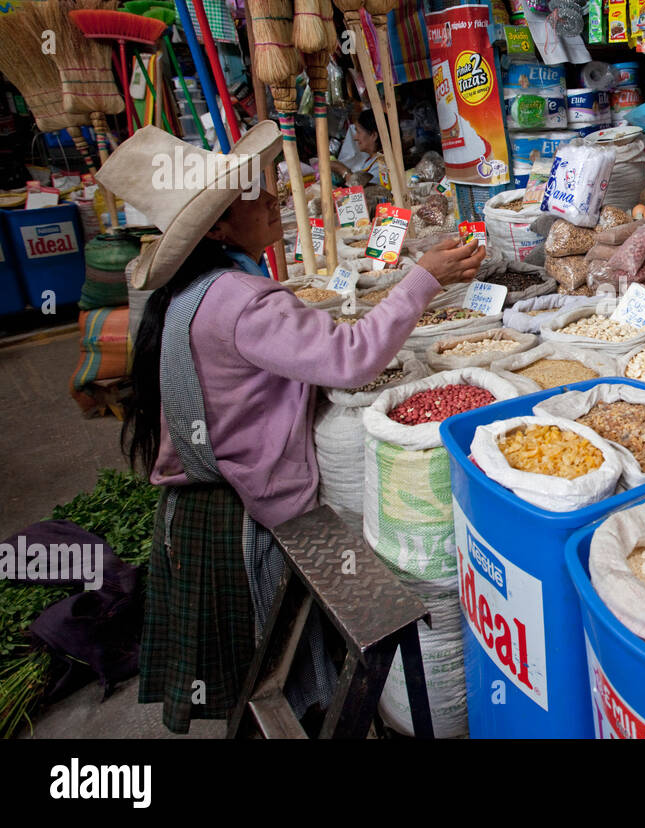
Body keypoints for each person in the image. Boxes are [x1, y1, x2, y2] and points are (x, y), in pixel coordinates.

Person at [100, 122, 485, 734]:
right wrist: (424, 278)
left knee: (253, 678)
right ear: (219, 226)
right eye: (258, 196)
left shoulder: (198, 290)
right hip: (239, 513)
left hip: (204, 501)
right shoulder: (241, 301)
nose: (276, 199)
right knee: (274, 674)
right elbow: (351, 356)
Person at [331, 108, 387, 189]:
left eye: (358, 132)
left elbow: (368, 193)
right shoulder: (370, 160)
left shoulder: (382, 164)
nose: (355, 138)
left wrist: (343, 171)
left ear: (373, 135)